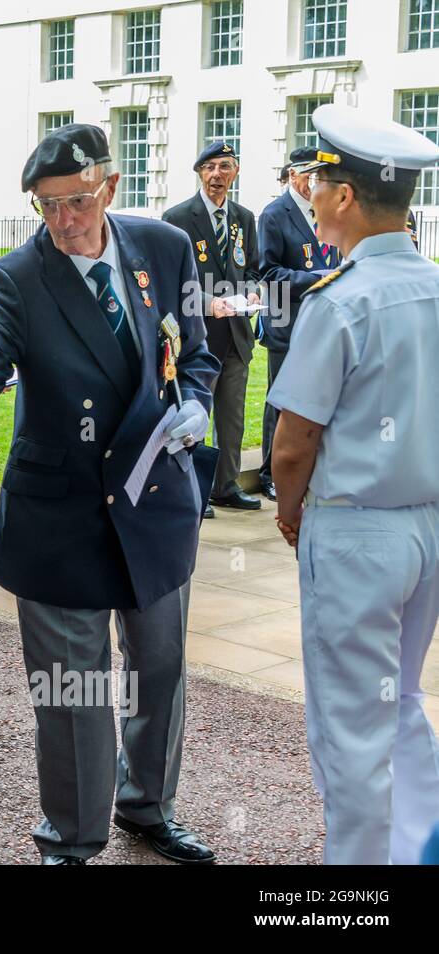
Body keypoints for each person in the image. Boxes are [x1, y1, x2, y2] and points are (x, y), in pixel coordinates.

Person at [0, 124, 221, 865]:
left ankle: (149, 807)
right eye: (47, 205)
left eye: (77, 201)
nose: (64, 220)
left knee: (160, 670)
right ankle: (70, 838)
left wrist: (197, 401)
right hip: (62, 510)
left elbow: (195, 351)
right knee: (73, 691)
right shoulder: (18, 276)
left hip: (153, 499)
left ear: (110, 185)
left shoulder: (165, 248)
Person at [267, 103, 439, 865]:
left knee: (351, 730)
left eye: (319, 182)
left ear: (343, 195)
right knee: (401, 702)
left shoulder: (340, 298)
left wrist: (290, 512)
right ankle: (417, 853)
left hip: (357, 530)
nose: (310, 194)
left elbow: (292, 444)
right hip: (425, 523)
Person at [162, 142, 263, 517]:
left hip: (236, 335)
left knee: (231, 419)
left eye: (224, 166)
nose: (217, 174)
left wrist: (252, 292)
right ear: (199, 173)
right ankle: (194, 490)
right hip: (197, 337)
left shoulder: (243, 218)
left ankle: (226, 486)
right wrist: (209, 303)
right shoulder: (177, 218)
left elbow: (252, 269)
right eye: (209, 167)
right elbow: (170, 279)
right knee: (194, 415)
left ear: (235, 172)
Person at [255, 145, 341, 501]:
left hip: (323, 322)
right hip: (286, 321)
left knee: (318, 399)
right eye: (312, 176)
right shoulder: (274, 215)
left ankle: (309, 468)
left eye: (321, 177)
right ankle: (271, 473)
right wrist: (317, 278)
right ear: (293, 175)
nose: (318, 183)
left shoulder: (328, 211)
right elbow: (268, 271)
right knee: (281, 398)